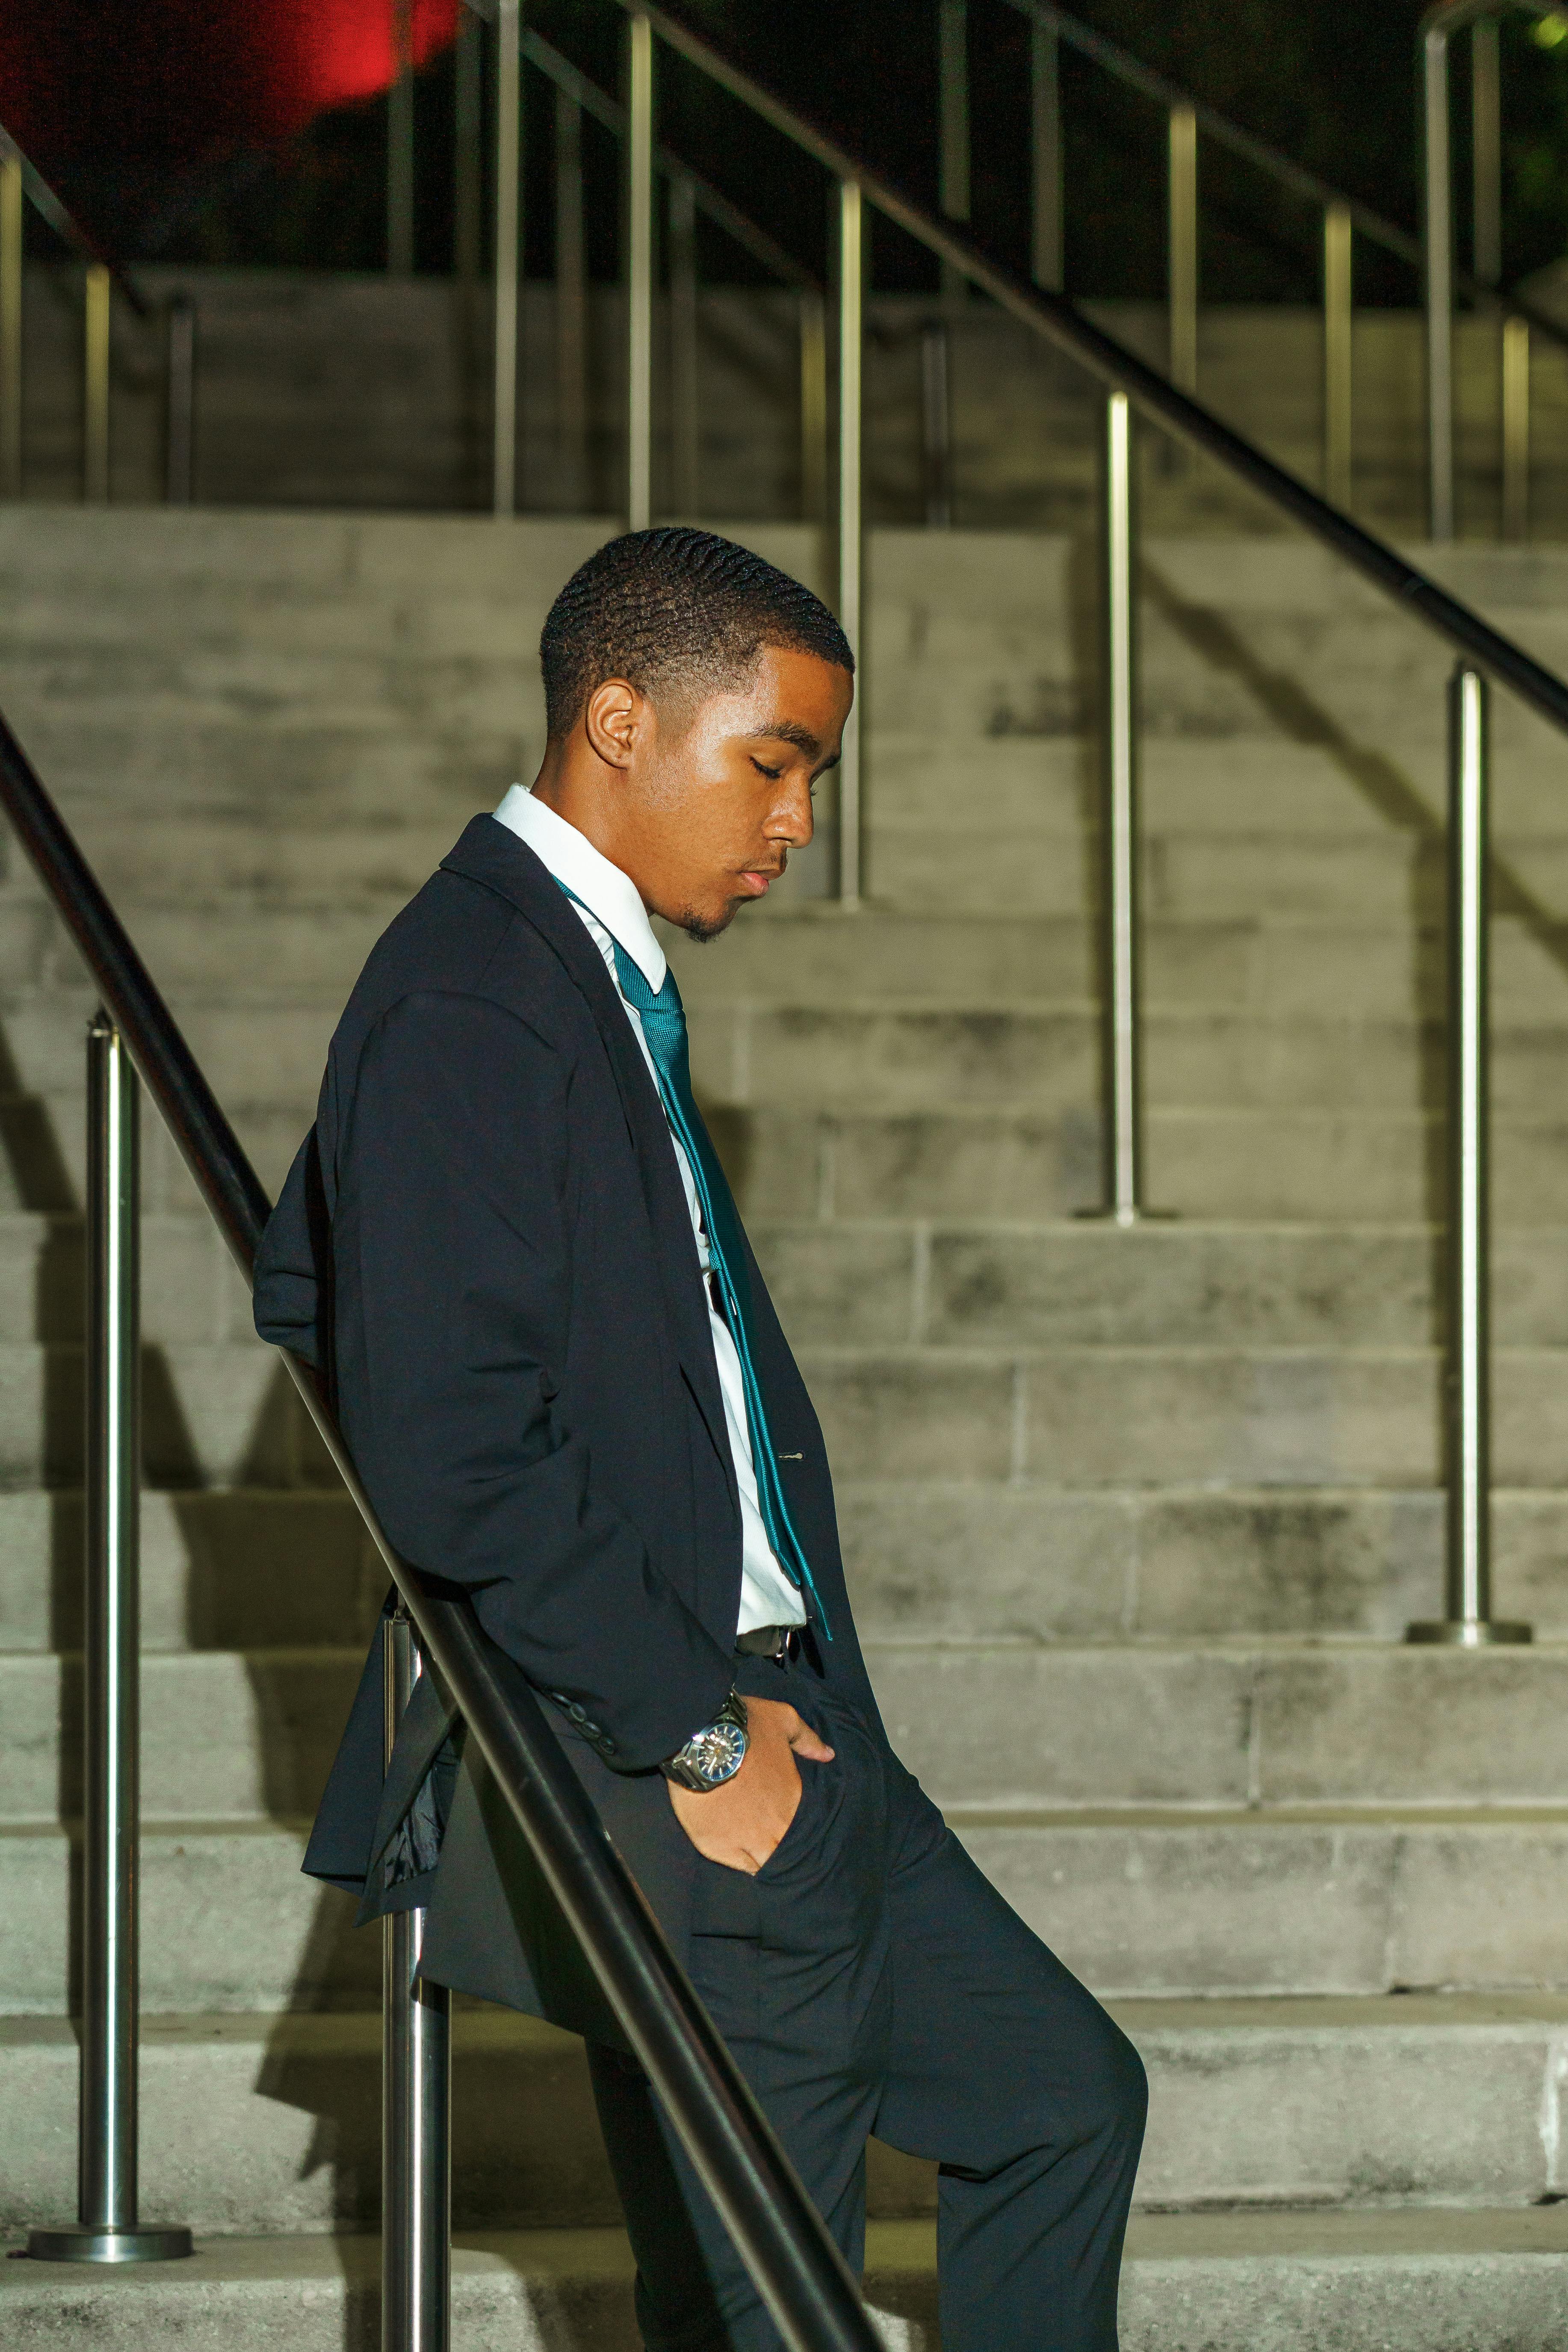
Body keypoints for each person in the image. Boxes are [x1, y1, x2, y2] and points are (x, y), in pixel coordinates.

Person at [254, 526, 1146, 2351]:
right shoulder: (471, 990)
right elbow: (445, 1440)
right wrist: (692, 1726)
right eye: (771, 762)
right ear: (618, 723)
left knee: (1058, 2100)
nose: (796, 821)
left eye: (814, 774)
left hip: (782, 1720)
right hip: (680, 1738)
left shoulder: (577, 970)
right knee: (777, 2303)